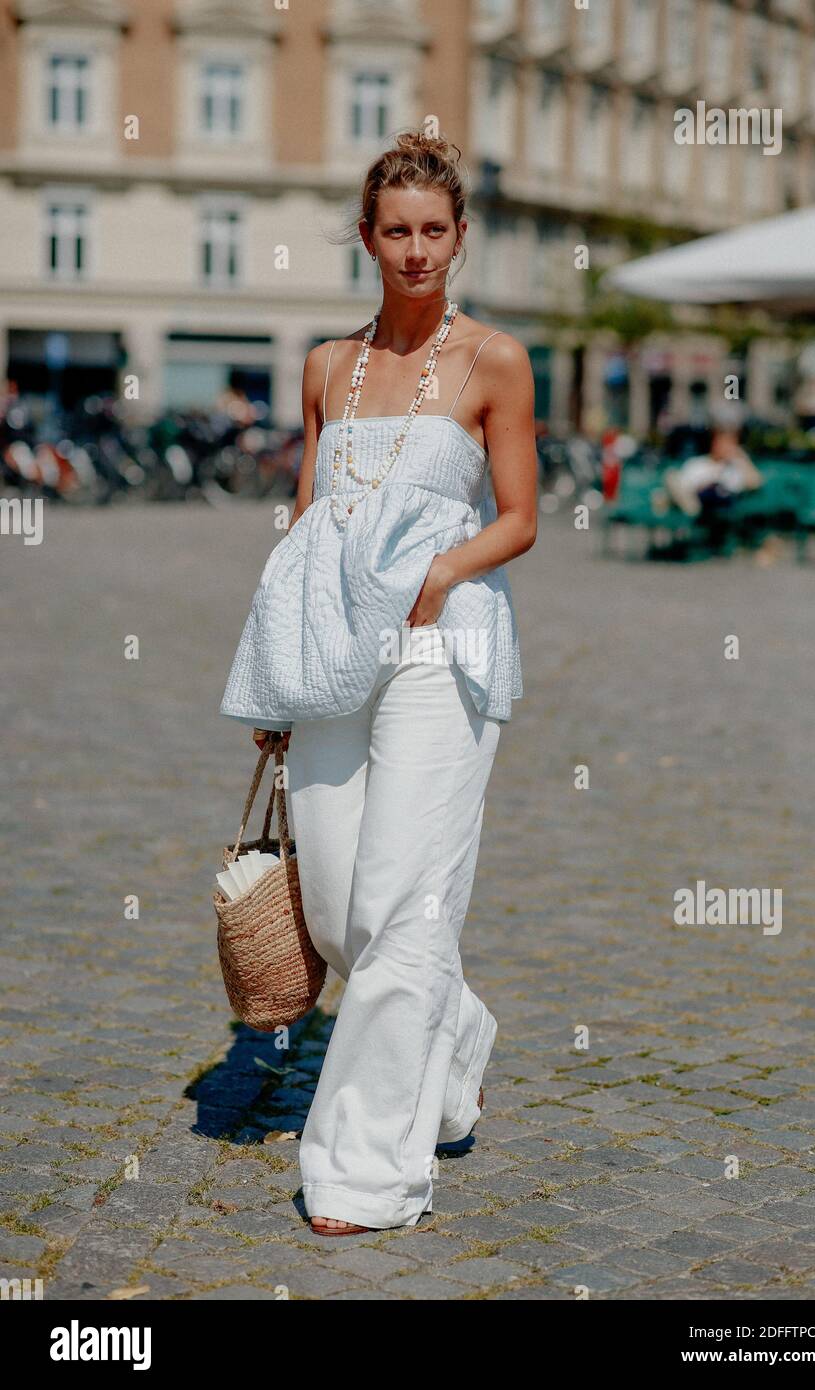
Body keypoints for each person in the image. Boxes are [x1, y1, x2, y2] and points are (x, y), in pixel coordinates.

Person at [219, 130, 537, 1235]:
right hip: (328, 655)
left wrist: (445, 570)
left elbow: (520, 518)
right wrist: (273, 690)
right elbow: (306, 531)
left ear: (457, 238)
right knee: (347, 907)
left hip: (439, 648)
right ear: (367, 238)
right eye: (394, 231)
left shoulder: (493, 359)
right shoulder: (322, 365)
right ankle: (455, 1036)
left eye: (432, 231)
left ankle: (363, 1170)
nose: (414, 250)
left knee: (402, 905)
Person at [664, 426, 763, 523]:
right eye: (723, 442)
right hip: (697, 503)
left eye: (731, 444)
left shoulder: (735, 468)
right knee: (671, 476)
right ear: (714, 443)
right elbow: (683, 487)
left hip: (724, 510)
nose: (726, 447)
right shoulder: (697, 464)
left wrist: (741, 457)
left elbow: (756, 483)